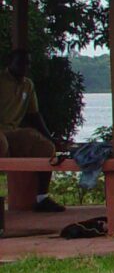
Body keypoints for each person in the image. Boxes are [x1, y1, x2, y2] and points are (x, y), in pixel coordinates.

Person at [0, 48, 63, 210]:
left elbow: (34, 115)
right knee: (2, 144)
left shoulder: (28, 85)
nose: (25, 67)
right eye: (20, 63)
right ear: (10, 62)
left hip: (12, 132)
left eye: (28, 63)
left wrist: (50, 137)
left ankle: (42, 199)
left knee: (45, 147)